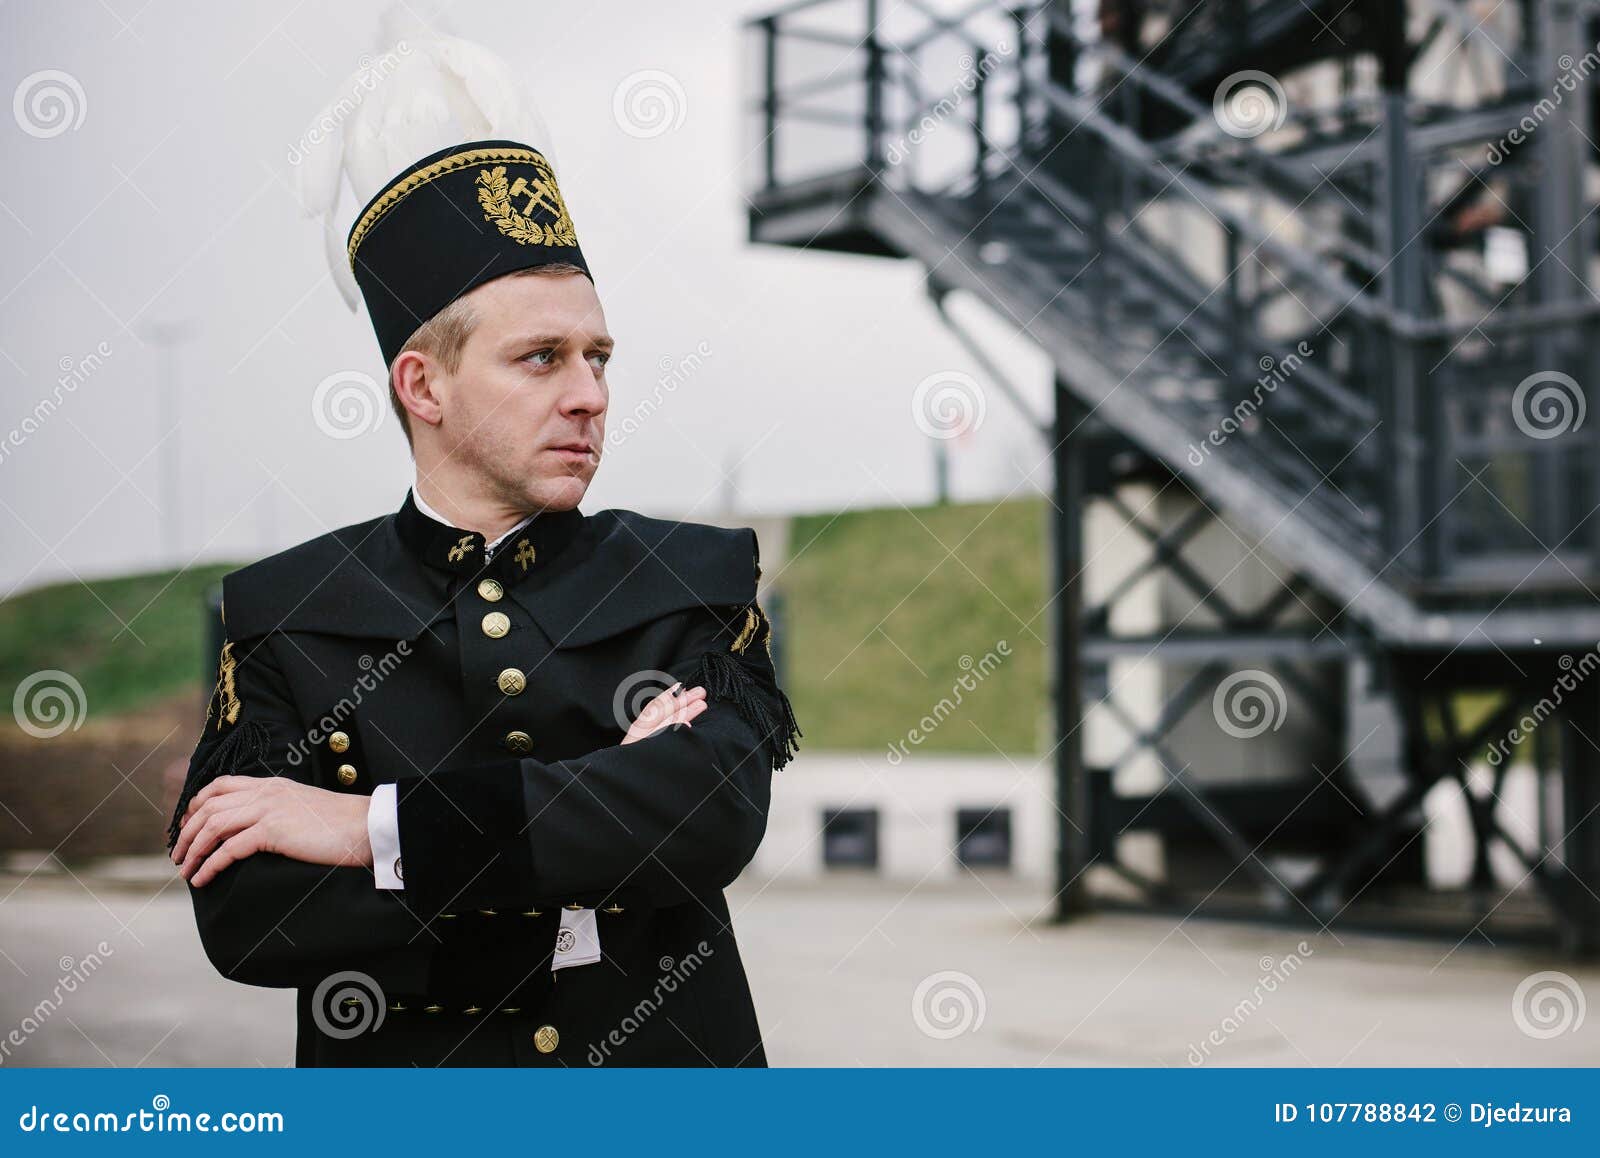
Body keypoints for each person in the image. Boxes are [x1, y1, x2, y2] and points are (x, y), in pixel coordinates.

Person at [165, 138, 801, 1067]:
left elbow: (708, 819)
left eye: (599, 357)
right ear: (422, 385)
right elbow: (251, 916)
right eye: (542, 358)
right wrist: (593, 840)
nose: (589, 395)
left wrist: (368, 829)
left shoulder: (689, 577)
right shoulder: (284, 613)